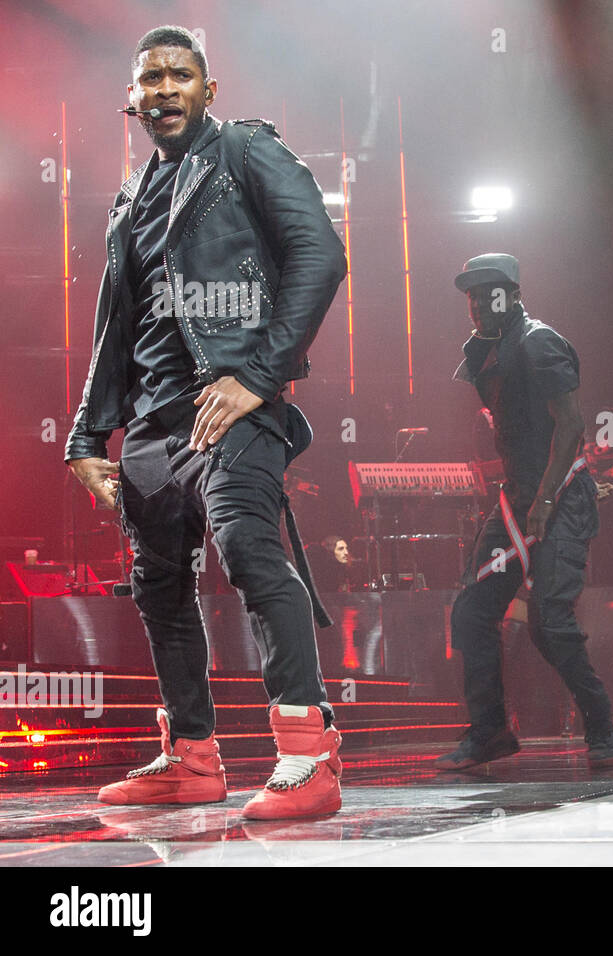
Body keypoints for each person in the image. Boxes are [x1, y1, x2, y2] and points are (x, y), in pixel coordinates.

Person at [64, 27, 347, 819]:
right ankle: (191, 758)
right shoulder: (128, 201)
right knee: (158, 586)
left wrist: (258, 377)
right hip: (152, 427)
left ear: (207, 89)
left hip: (230, 405)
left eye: (179, 75)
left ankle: (308, 754)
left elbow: (319, 255)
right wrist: (87, 436)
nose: (163, 88)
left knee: (250, 552)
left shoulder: (247, 153)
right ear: (133, 98)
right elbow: (112, 328)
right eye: (149, 77)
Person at [436, 253, 613, 770]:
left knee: (548, 623)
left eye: (488, 291)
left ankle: (601, 724)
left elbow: (571, 425)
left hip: (559, 495)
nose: (476, 303)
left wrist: (543, 500)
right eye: (470, 294)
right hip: (517, 498)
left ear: (514, 294)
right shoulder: (481, 352)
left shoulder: (538, 341)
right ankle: (491, 731)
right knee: (473, 612)